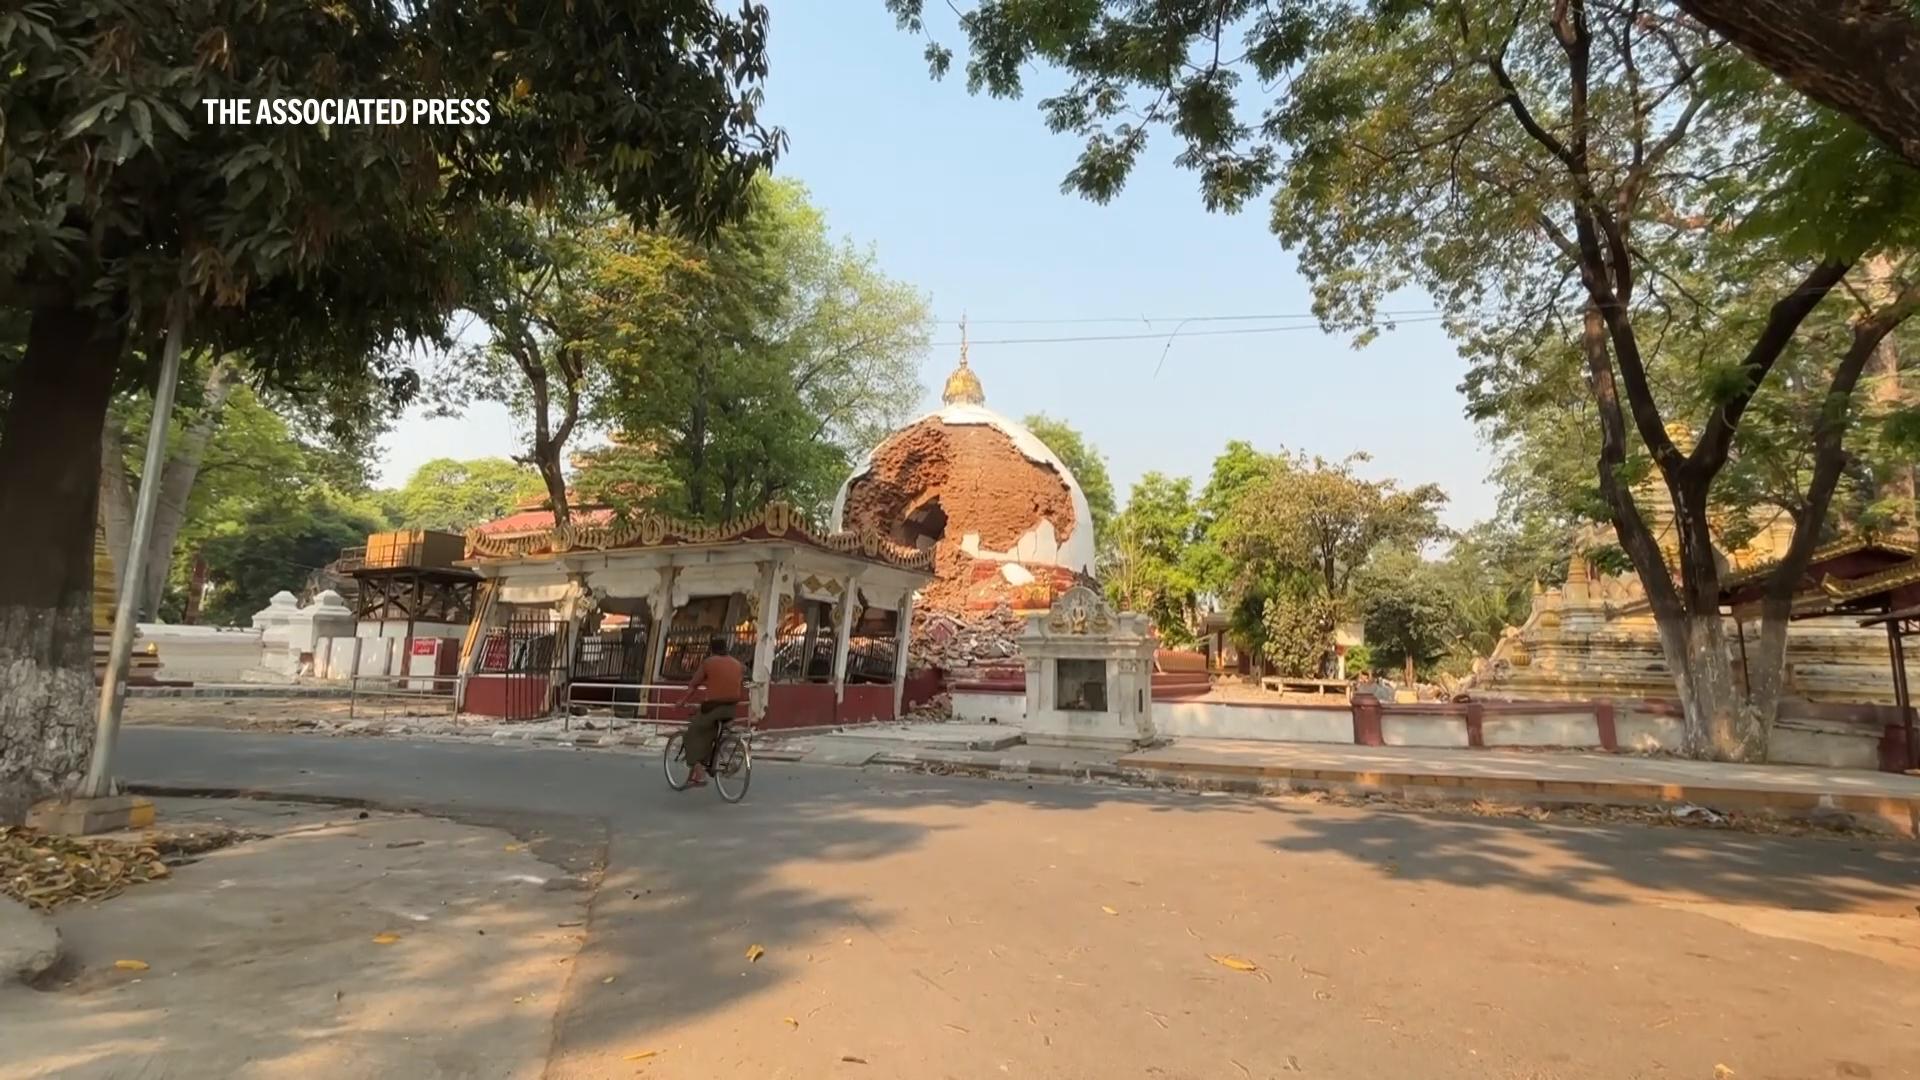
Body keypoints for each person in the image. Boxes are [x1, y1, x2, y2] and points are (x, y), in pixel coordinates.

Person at [676, 635, 745, 787]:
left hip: (714, 708)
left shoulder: (709, 663)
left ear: (711, 649)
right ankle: (710, 758)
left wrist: (682, 701)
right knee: (710, 731)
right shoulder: (737, 664)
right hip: (731, 709)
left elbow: (693, 685)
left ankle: (698, 773)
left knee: (692, 733)